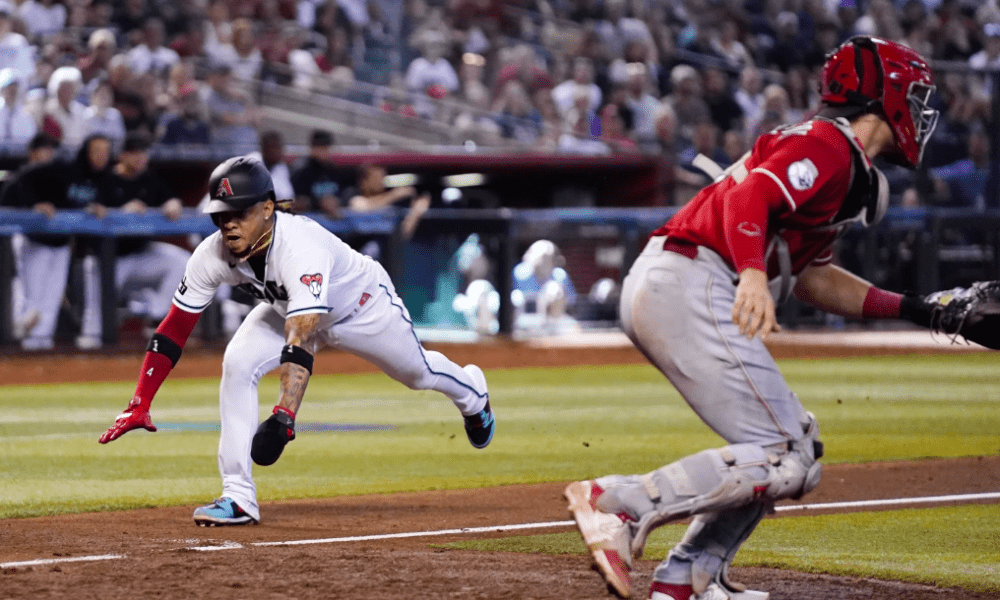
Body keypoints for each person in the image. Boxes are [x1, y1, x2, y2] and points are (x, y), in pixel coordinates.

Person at [564, 37, 941, 600]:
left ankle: (687, 578)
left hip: (681, 275)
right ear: (881, 92)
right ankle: (618, 502)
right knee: (783, 451)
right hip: (693, 276)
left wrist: (918, 309)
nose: (918, 111)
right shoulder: (829, 144)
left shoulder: (838, 158)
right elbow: (751, 201)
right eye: (910, 95)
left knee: (797, 450)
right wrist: (753, 275)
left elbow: (815, 277)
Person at [97, 155, 496, 526]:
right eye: (221, 216)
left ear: (267, 208)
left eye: (240, 213)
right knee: (237, 364)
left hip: (362, 307)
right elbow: (173, 330)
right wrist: (141, 400)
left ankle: (473, 395)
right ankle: (238, 496)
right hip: (288, 308)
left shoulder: (299, 247)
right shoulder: (212, 254)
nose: (229, 224)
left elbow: (301, 337)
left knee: (418, 373)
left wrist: (285, 416)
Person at [78, 130, 190, 346]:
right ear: (123, 156)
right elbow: (90, 209)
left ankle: (154, 313)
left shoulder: (149, 179)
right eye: (134, 153)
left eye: (143, 153)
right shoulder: (105, 179)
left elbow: (170, 199)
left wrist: (173, 203)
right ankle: (88, 358)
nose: (140, 158)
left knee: (183, 263)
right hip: (107, 259)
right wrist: (120, 212)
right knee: (94, 325)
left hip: (140, 255)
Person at [290, 129, 351, 217]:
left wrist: (338, 202)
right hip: (310, 219)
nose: (323, 151)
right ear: (312, 148)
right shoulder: (302, 172)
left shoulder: (337, 171)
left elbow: (347, 193)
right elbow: (297, 202)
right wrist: (318, 203)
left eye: (326, 147)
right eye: (319, 147)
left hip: (336, 220)